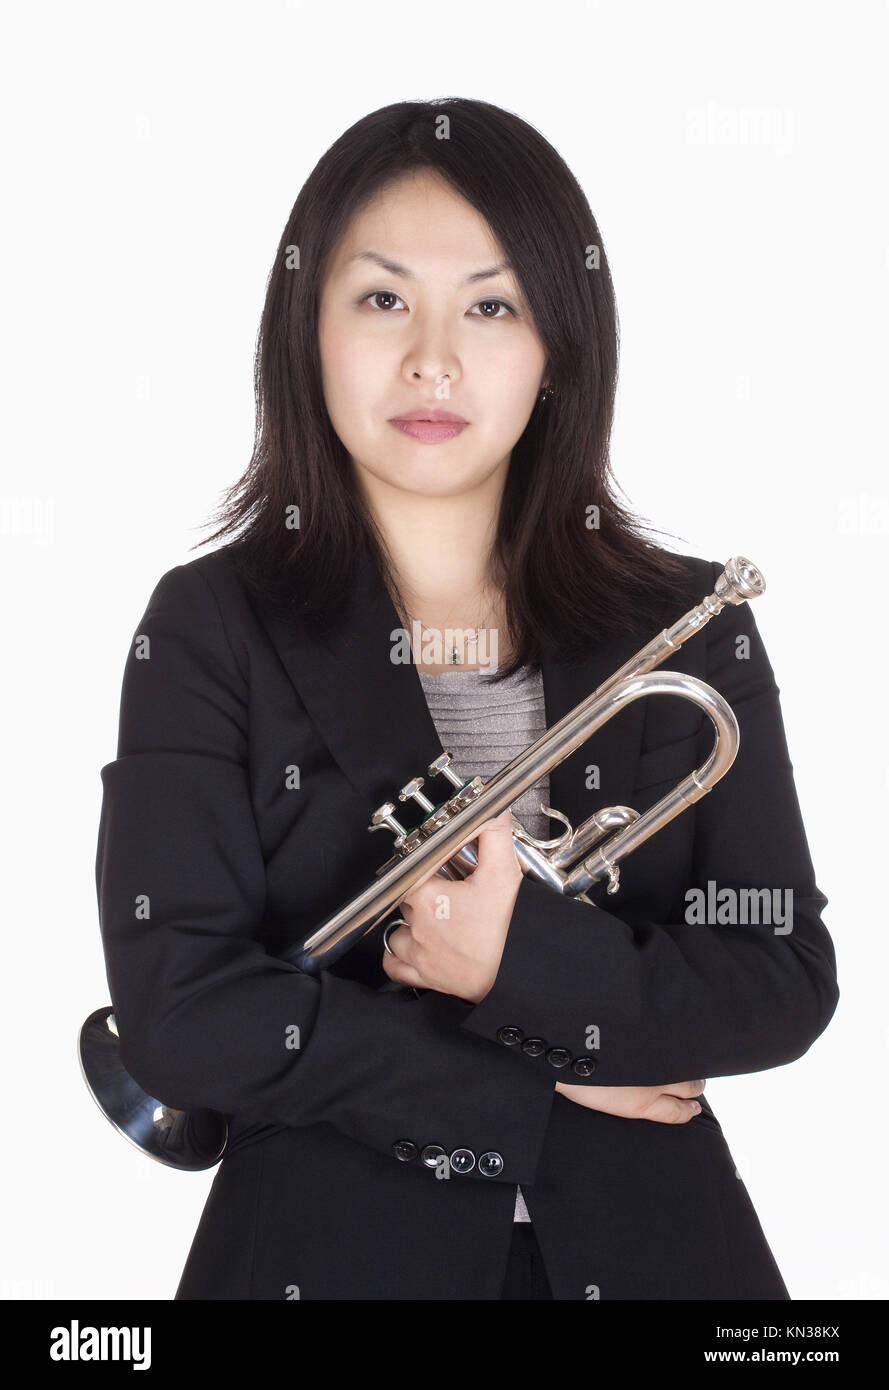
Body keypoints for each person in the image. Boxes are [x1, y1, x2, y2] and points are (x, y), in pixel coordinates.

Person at [94, 98, 839, 1300]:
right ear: (308, 330)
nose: (433, 358)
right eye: (382, 298)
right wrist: (536, 1053)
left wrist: (513, 956)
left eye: (492, 305)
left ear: (557, 347)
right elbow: (182, 1015)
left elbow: (781, 978)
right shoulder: (205, 625)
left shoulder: (691, 621)